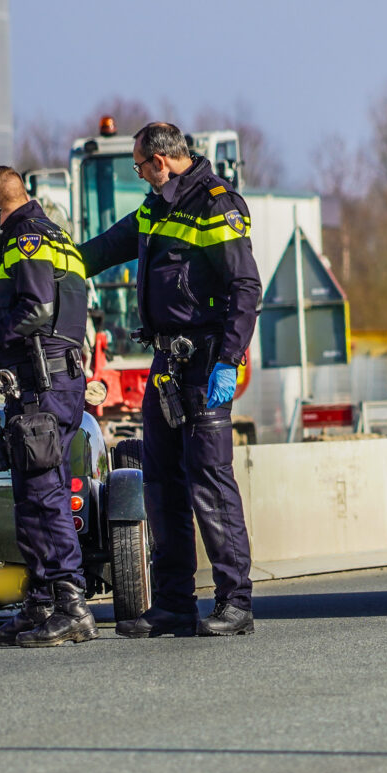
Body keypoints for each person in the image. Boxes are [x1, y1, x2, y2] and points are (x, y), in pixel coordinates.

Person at [79, 122, 260, 637]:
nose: (139, 175)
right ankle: (175, 605)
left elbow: (245, 285)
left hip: (204, 361)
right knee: (162, 485)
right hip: (166, 364)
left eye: (139, 166)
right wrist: (58, 262)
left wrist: (229, 358)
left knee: (209, 480)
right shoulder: (155, 207)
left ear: (160, 161)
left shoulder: (215, 204)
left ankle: (235, 602)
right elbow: (106, 247)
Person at [0, 166, 95, 648]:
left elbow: (35, 311)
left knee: (44, 495)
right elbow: (31, 309)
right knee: (32, 494)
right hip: (56, 381)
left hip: (40, 385)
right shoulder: (56, 236)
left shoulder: (21, 238)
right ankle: (41, 602)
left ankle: (70, 605)